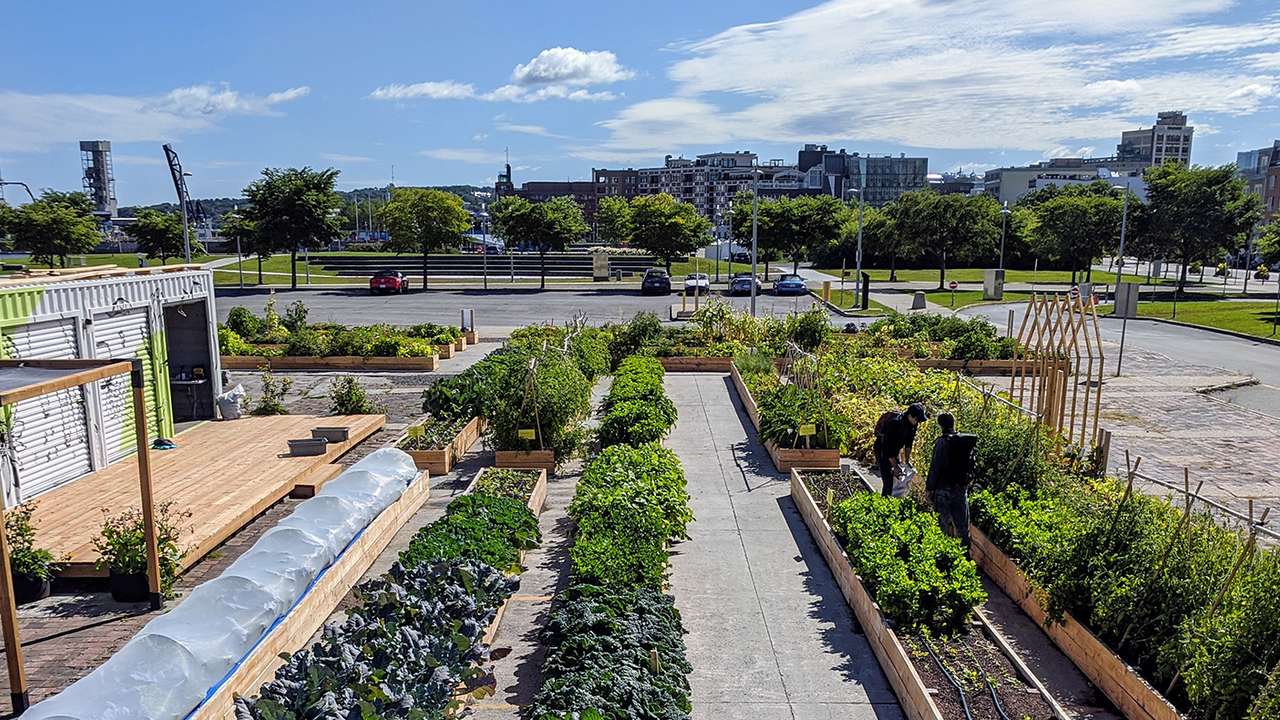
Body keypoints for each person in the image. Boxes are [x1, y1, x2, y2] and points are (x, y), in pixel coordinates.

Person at [926, 412, 978, 551]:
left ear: (940, 425)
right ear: (953, 423)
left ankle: (943, 557)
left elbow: (935, 467)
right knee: (962, 527)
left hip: (943, 489)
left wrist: (930, 488)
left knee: (942, 526)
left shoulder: (942, 442)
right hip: (960, 489)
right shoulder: (965, 442)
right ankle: (965, 558)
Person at [873, 402, 928, 496]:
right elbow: (887, 449)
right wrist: (895, 466)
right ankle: (884, 503)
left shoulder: (912, 425)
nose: (917, 422)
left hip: (894, 450)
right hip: (882, 450)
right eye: (916, 419)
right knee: (888, 481)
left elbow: (908, 443)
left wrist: (907, 460)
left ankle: (893, 500)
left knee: (897, 477)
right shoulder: (895, 423)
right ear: (910, 415)